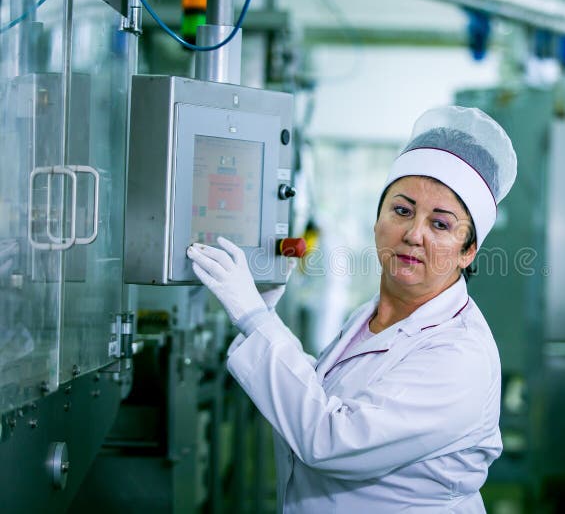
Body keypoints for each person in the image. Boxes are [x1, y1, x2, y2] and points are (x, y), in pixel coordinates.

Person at [187, 105, 517, 513]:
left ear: (468, 251)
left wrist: (255, 320)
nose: (413, 234)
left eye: (440, 224)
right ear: (377, 220)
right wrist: (265, 321)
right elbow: (327, 397)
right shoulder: (373, 315)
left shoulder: (459, 355)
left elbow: (331, 439)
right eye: (402, 210)